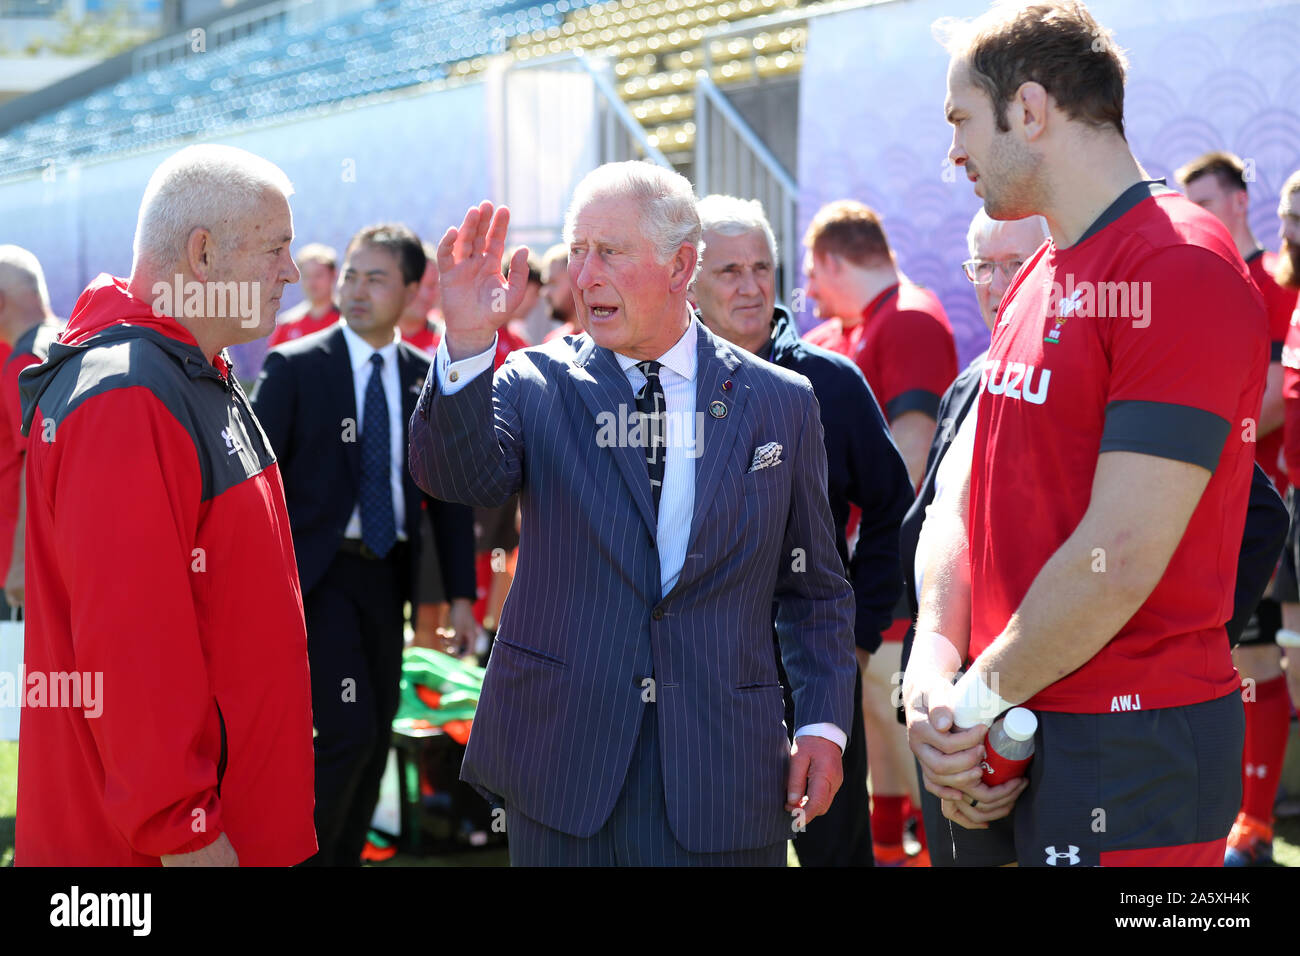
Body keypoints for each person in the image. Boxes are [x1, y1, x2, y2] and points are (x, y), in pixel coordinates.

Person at [907, 0, 1273, 866]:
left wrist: (972, 702)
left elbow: (1122, 554)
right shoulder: (1041, 267)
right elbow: (961, 489)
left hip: (1132, 747)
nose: (952, 150)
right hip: (998, 727)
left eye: (961, 120)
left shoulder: (1177, 263)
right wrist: (931, 664)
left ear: (1029, 110)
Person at [409, 162, 857, 866]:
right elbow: (455, 475)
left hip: (726, 778)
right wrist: (466, 344)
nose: (582, 276)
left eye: (608, 252)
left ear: (681, 265)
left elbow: (816, 591)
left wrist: (825, 724)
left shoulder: (782, 401)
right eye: (577, 250)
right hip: (566, 772)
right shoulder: (535, 381)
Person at [15, 143, 315, 866]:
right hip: (168, 850)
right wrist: (181, 828)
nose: (292, 272)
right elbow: (130, 642)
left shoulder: (183, 371)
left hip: (238, 821)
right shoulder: (129, 393)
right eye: (275, 248)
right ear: (203, 255)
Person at [690, 193, 913, 867]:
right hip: (699, 672)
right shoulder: (661, 385)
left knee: (832, 850)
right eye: (730, 271)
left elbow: (893, 511)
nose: (752, 285)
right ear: (687, 279)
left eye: (762, 266)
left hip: (814, 664)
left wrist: (859, 638)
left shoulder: (831, 383)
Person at [250, 222, 477, 866]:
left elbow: (449, 495)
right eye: (350, 274)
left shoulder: (426, 377)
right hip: (317, 580)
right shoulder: (296, 366)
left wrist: (461, 595)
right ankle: (299, 857)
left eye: (376, 277)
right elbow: (256, 486)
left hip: (389, 578)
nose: (355, 289)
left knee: (377, 735)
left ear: (411, 289)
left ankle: (340, 856)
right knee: (345, 731)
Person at [1176, 151, 1298, 866]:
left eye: (1206, 201)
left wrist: (1187, 438)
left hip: (1268, 503)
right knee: (1237, 653)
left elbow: (1279, 394)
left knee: (1265, 659)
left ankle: (1254, 821)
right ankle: (1237, 818)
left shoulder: (1277, 283)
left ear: (1243, 202)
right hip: (1202, 505)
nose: (1195, 217)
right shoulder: (1198, 279)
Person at [0, 247, 60, 611]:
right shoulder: (66, 340)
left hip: (19, 567)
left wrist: (21, 564)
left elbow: (31, 462)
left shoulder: (24, 360)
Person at [268, 243, 340, 346]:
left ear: (333, 275)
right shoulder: (286, 326)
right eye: (306, 276)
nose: (312, 283)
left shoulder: (348, 322)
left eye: (318, 275)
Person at [540, 243, 579, 342]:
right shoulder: (553, 342)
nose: (545, 293)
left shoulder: (605, 342)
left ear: (578, 281)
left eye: (553, 283)